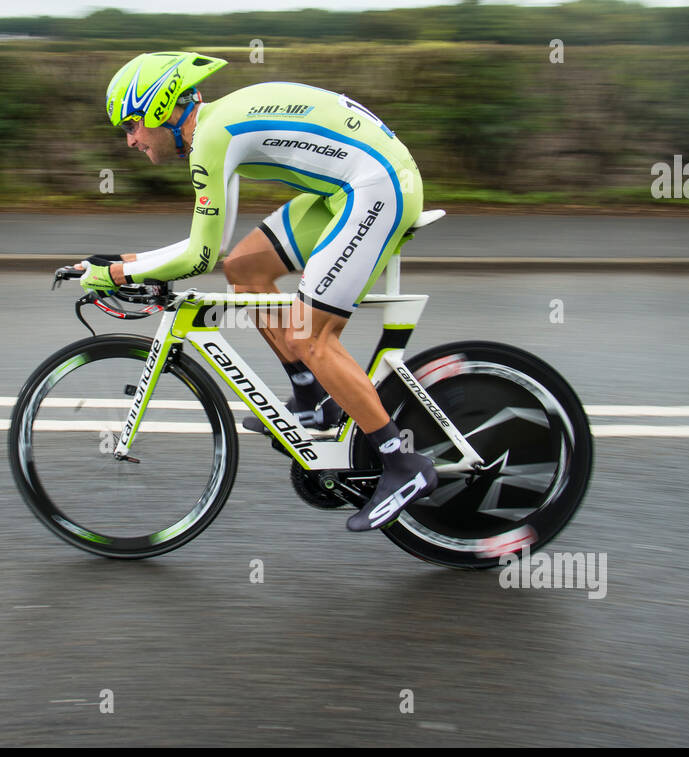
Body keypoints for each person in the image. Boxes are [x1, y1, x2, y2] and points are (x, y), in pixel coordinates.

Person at [78, 51, 436, 533]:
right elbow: (214, 249)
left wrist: (120, 273)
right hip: (348, 188)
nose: (130, 141)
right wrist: (127, 264)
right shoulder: (217, 128)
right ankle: (310, 398)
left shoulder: (211, 137)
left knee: (313, 336)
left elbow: (198, 256)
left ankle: (401, 464)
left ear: (161, 108)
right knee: (246, 266)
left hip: (377, 187)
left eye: (132, 125)